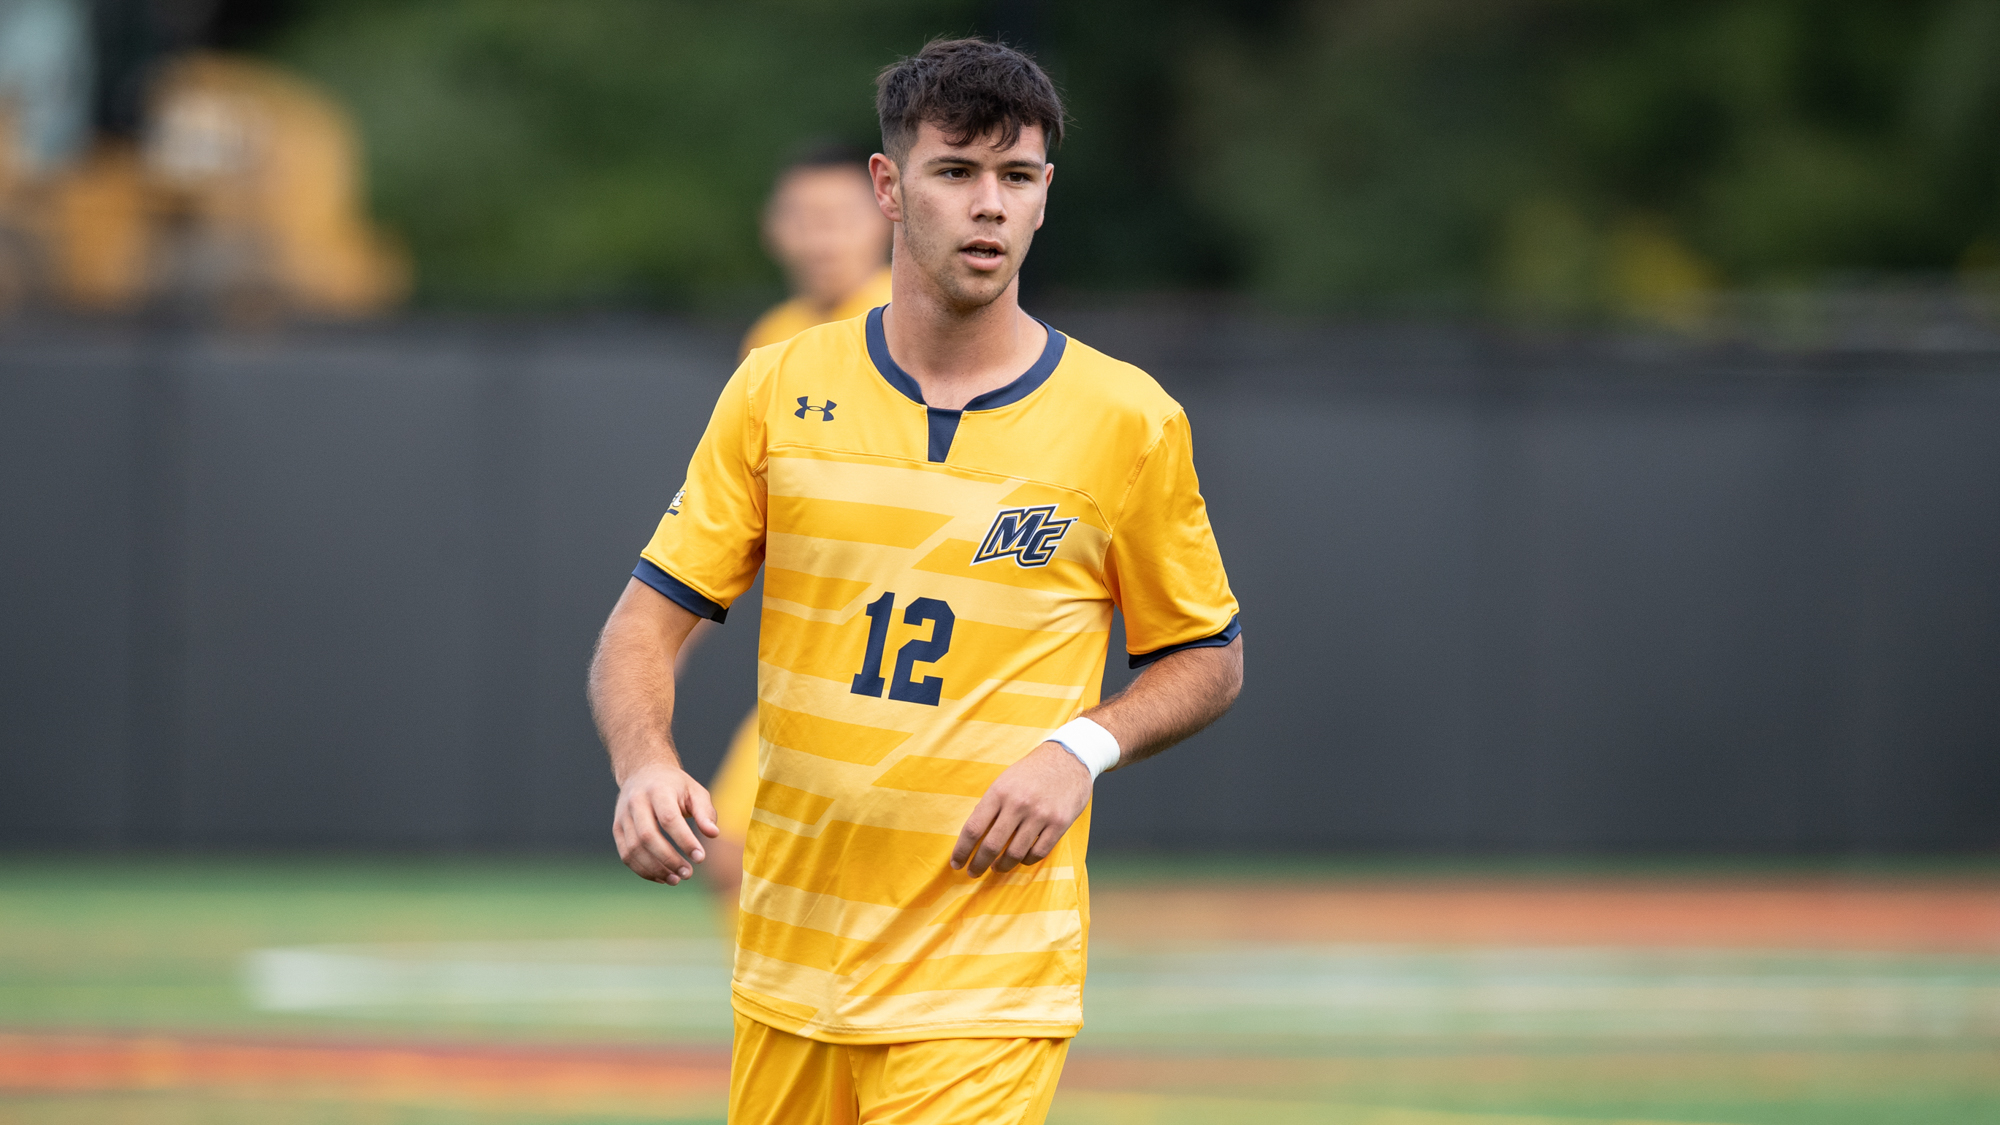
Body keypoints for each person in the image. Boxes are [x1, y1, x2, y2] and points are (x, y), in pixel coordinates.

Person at [589, 37, 1243, 1125]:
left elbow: (1205, 655)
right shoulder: (776, 386)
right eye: (956, 172)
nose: (988, 206)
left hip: (987, 984)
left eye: (1016, 177)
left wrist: (1078, 750)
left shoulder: (1127, 419)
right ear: (889, 189)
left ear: (1043, 198)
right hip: (790, 972)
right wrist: (643, 765)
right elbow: (642, 627)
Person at [699, 142, 893, 939]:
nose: (821, 238)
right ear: (772, 228)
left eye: (838, 217)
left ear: (885, 215)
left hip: (902, 656)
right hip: (809, 660)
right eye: (802, 218)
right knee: (733, 852)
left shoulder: (909, 321)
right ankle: (793, 1042)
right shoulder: (772, 337)